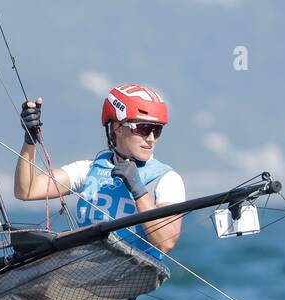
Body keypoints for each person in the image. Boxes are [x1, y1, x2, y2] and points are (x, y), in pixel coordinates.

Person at [13, 84, 186, 267]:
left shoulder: (166, 179)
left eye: (157, 130)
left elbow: (166, 243)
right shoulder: (87, 170)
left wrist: (138, 190)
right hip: (85, 273)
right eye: (143, 128)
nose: (151, 138)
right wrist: (30, 140)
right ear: (118, 127)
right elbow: (27, 190)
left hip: (131, 277)